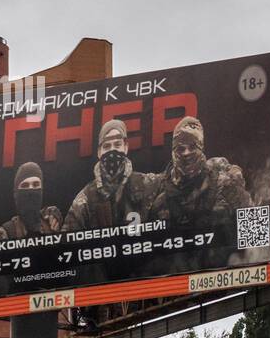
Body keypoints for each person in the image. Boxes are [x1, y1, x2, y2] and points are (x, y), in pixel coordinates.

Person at [144, 116, 253, 273]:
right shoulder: (159, 194)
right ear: (173, 151)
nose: (186, 153)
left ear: (201, 147)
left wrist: (248, 266)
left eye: (192, 147)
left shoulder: (225, 183)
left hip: (224, 279)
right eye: (180, 148)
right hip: (176, 287)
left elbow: (254, 230)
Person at [62, 119, 154, 233]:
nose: (112, 150)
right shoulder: (85, 199)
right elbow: (67, 240)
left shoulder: (148, 185)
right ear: (99, 152)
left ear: (126, 147)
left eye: (117, 145)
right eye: (106, 146)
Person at [0, 161, 63, 239]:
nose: (31, 189)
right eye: (25, 185)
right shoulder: (5, 232)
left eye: (36, 185)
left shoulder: (52, 223)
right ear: (16, 193)